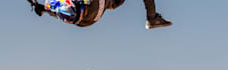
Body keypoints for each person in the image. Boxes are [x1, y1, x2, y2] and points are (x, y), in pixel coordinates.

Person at [28, 0, 171, 29]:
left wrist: (42, 9)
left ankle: (152, 18)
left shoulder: (79, 20)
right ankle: (152, 18)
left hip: (100, 11)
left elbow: (58, 13)